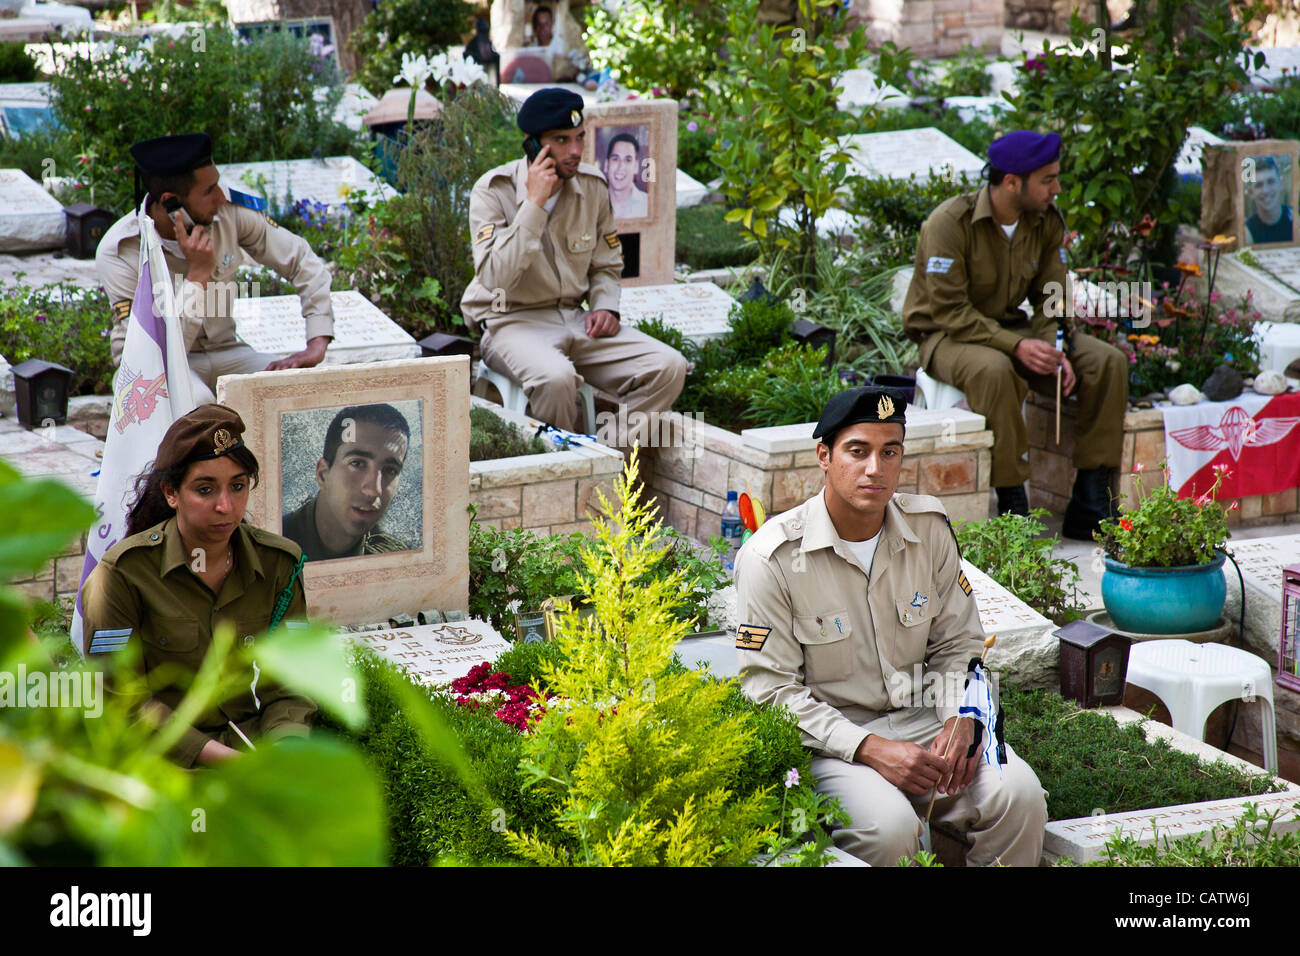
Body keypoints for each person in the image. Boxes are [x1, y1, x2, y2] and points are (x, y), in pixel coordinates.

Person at [735, 386, 1048, 866]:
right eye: (857, 452)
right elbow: (770, 690)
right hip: (835, 745)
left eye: (890, 452)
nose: (875, 469)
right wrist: (869, 747)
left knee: (1019, 794)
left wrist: (963, 718)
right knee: (891, 831)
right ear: (824, 455)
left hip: (926, 723)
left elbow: (958, 643)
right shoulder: (772, 558)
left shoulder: (929, 529)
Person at [902, 130, 1129, 540]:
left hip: (1012, 328)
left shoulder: (1044, 221)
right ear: (1011, 181)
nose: (1056, 189)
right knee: (995, 370)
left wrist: (1053, 348)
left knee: (1104, 362)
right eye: (1048, 179)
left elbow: (1050, 297)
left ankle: (1090, 497)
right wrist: (1018, 346)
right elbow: (949, 310)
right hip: (946, 335)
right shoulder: (949, 223)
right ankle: (1013, 503)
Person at [80, 405, 316, 768]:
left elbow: (291, 684)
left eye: (238, 486)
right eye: (205, 490)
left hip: (251, 747)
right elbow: (121, 701)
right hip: (157, 763)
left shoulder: (278, 565)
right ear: (171, 493)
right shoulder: (123, 575)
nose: (225, 506)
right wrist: (229, 763)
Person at [460, 88, 688, 433]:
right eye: (562, 140)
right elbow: (495, 277)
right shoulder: (493, 191)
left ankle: (607, 461)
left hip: (576, 320)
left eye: (580, 138)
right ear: (532, 143)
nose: (576, 151)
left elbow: (607, 265)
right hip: (511, 322)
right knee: (556, 378)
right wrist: (533, 205)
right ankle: (563, 473)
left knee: (668, 365)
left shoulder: (592, 186)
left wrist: (605, 306)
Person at [96, 132, 335, 405]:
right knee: (197, 404)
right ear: (170, 201)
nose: (221, 197)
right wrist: (198, 275)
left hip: (227, 351)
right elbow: (157, 358)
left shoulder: (227, 213)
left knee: (292, 388)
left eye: (217, 185)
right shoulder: (120, 251)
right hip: (151, 368)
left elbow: (301, 258)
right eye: (209, 191)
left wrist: (317, 340)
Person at [281, 404, 413, 562]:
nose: (374, 490)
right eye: (357, 464)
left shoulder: (398, 559)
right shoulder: (274, 549)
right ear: (323, 474)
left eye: (390, 470)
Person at [1246, 156, 1296, 245]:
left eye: (1271, 182)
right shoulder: (1247, 231)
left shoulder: (1296, 218)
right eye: (1258, 185)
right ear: (1251, 193)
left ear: (1281, 184)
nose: (1265, 190)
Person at [603, 133, 649, 220]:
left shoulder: (649, 205)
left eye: (628, 160)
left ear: (636, 167)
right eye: (615, 159)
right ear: (606, 165)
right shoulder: (592, 205)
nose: (621, 167)